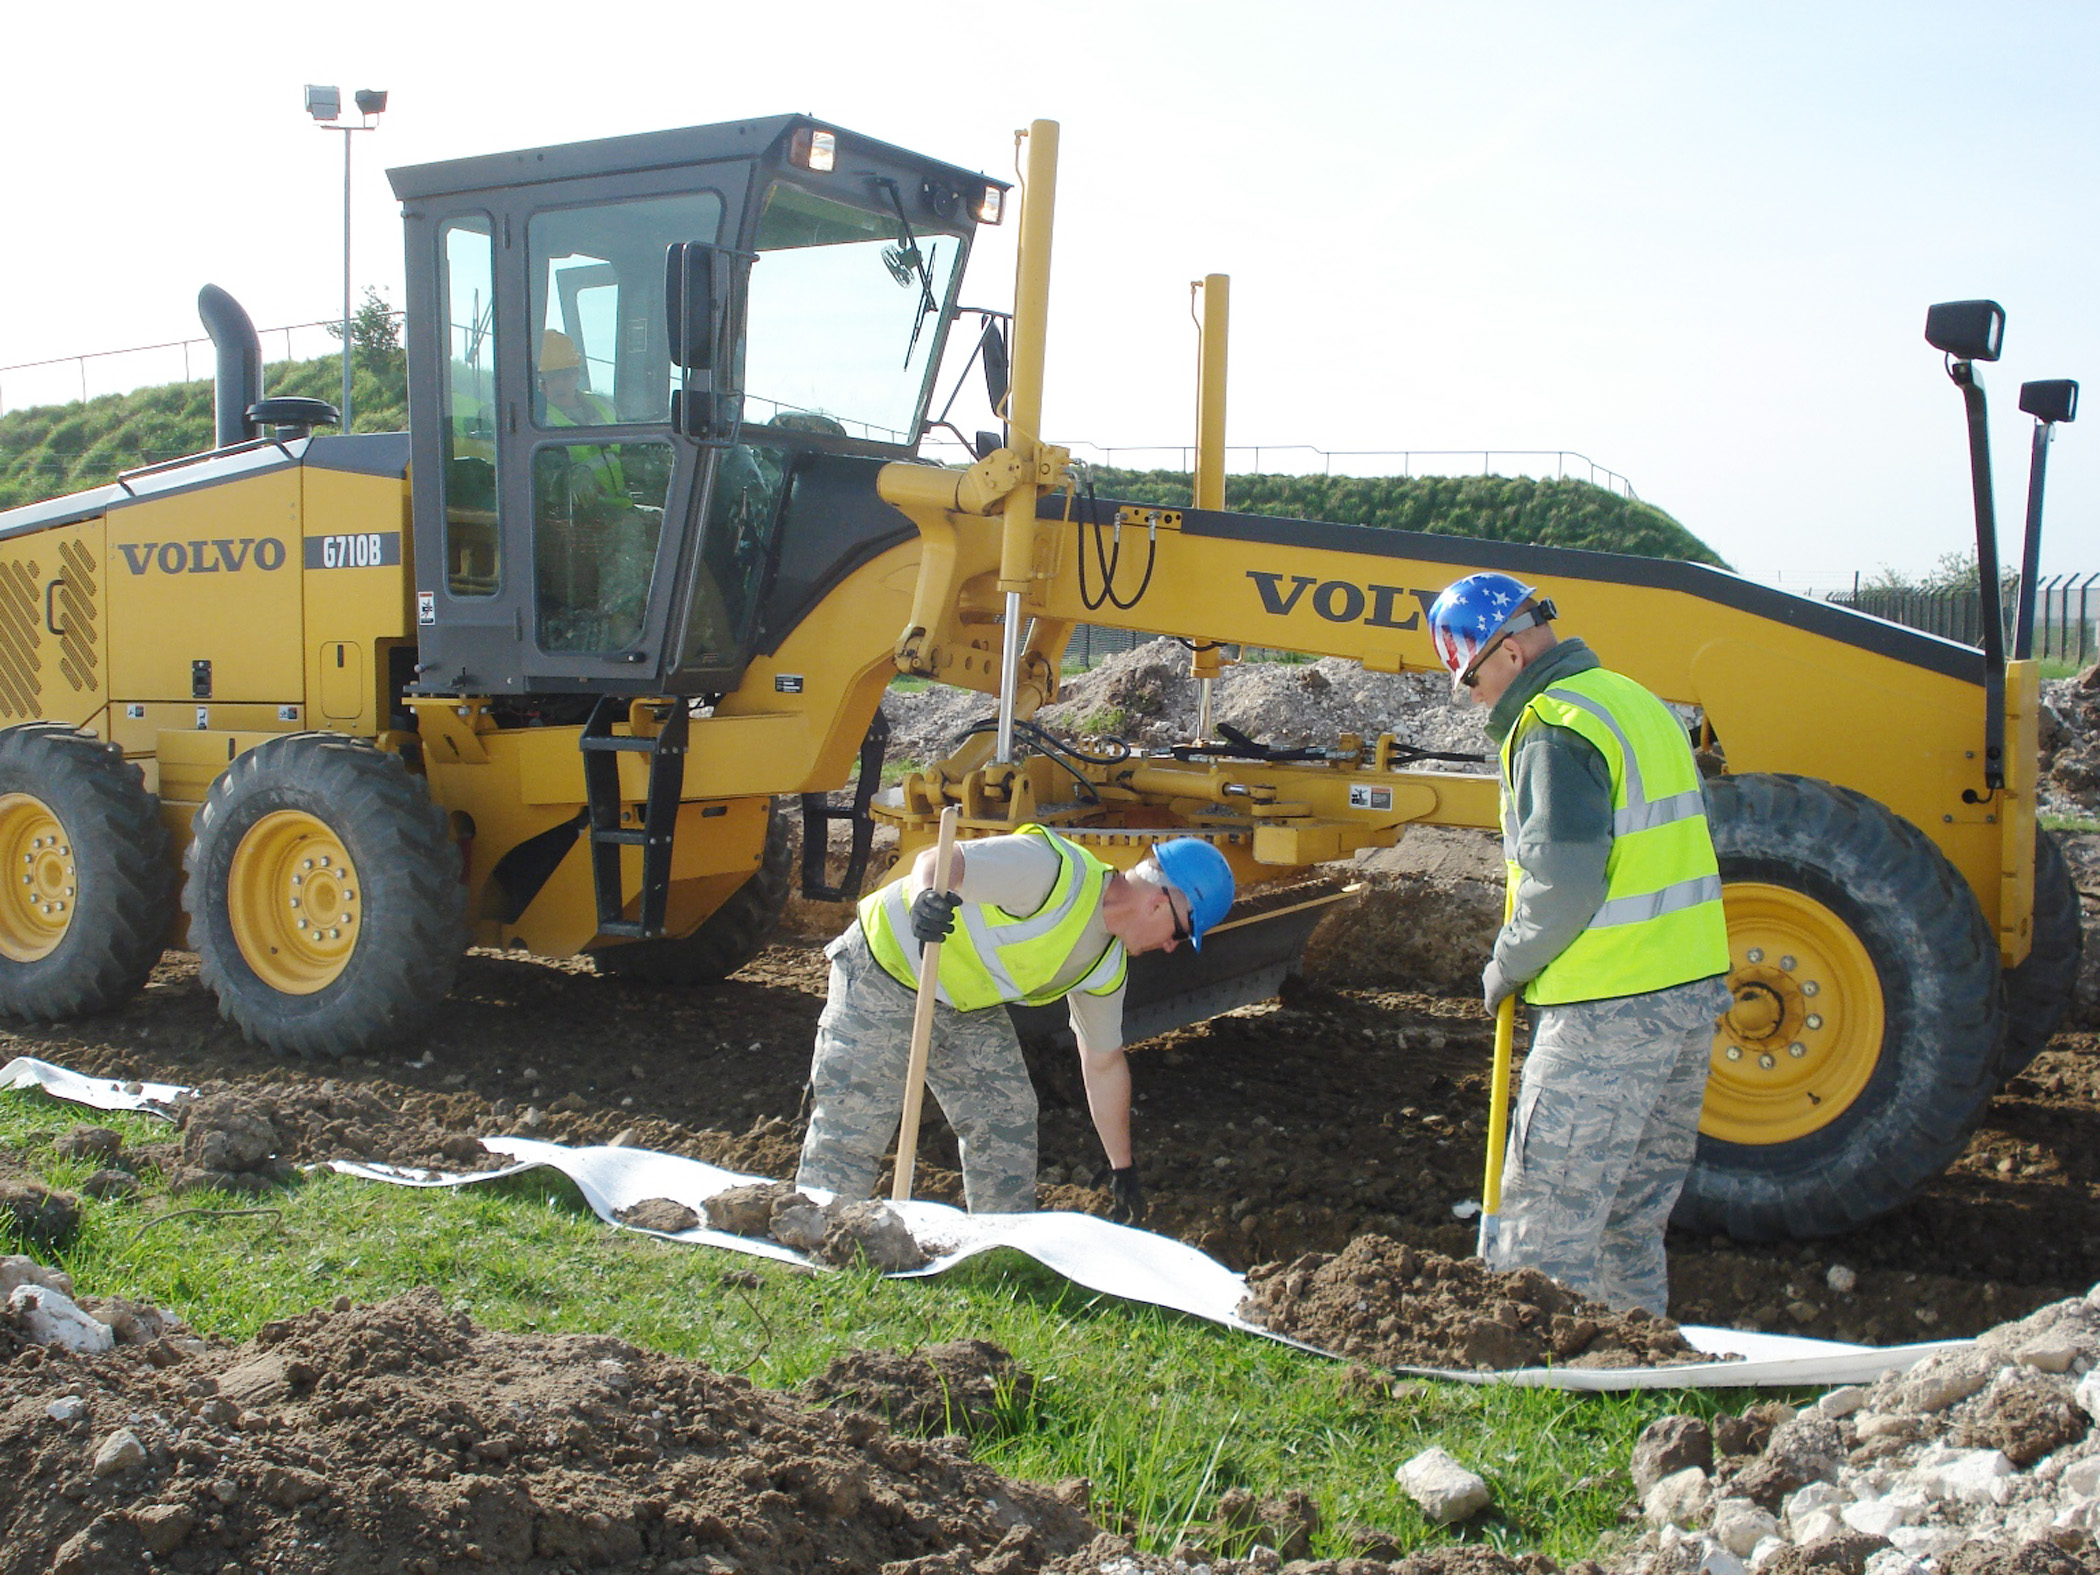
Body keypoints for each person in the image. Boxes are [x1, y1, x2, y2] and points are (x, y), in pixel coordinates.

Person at [1428, 571, 1731, 1315]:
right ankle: (1634, 1360)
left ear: (1508, 652)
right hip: (1688, 996)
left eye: (1471, 680)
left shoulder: (1553, 725)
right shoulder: (1636, 702)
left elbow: (1563, 883)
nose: (1476, 699)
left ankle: (1533, 1375)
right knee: (1629, 1226)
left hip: (1607, 1010)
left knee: (1543, 1236)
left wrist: (1506, 965)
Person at [795, 826, 1235, 1220]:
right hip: (887, 967)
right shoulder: (1052, 871)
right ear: (1159, 904)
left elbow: (1103, 1064)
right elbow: (941, 858)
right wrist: (928, 895)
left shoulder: (1105, 967)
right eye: (1181, 934)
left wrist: (1123, 1168)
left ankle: (999, 1249)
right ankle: (817, 1239)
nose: (1171, 947)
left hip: (963, 1002)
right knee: (854, 1122)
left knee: (1004, 1115)